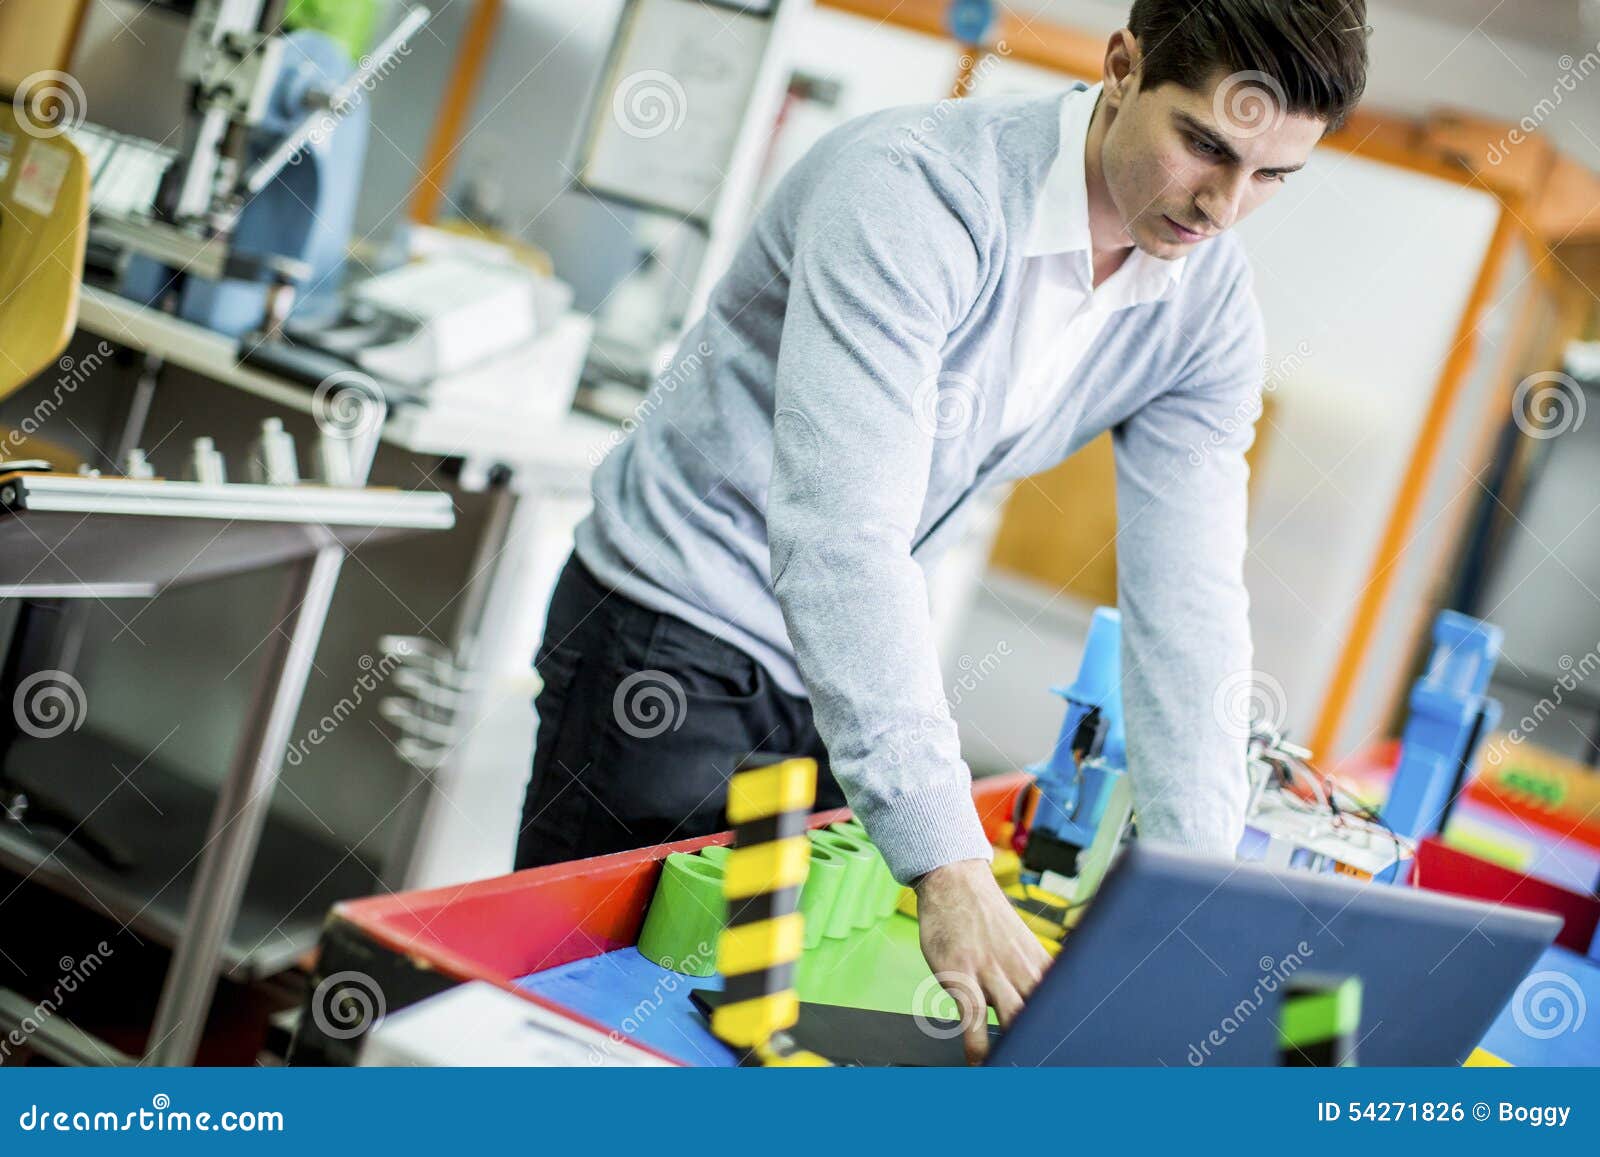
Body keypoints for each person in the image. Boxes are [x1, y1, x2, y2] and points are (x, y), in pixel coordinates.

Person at [515, 0, 1369, 1062]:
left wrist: (1190, 897)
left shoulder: (1204, 306)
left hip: (840, 675)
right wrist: (949, 864)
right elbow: (842, 535)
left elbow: (1189, 603)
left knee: (741, 1040)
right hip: (673, 632)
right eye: (1204, 144)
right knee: (587, 1030)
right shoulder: (916, 189)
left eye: (1274, 176)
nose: (1225, 205)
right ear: (1120, 67)